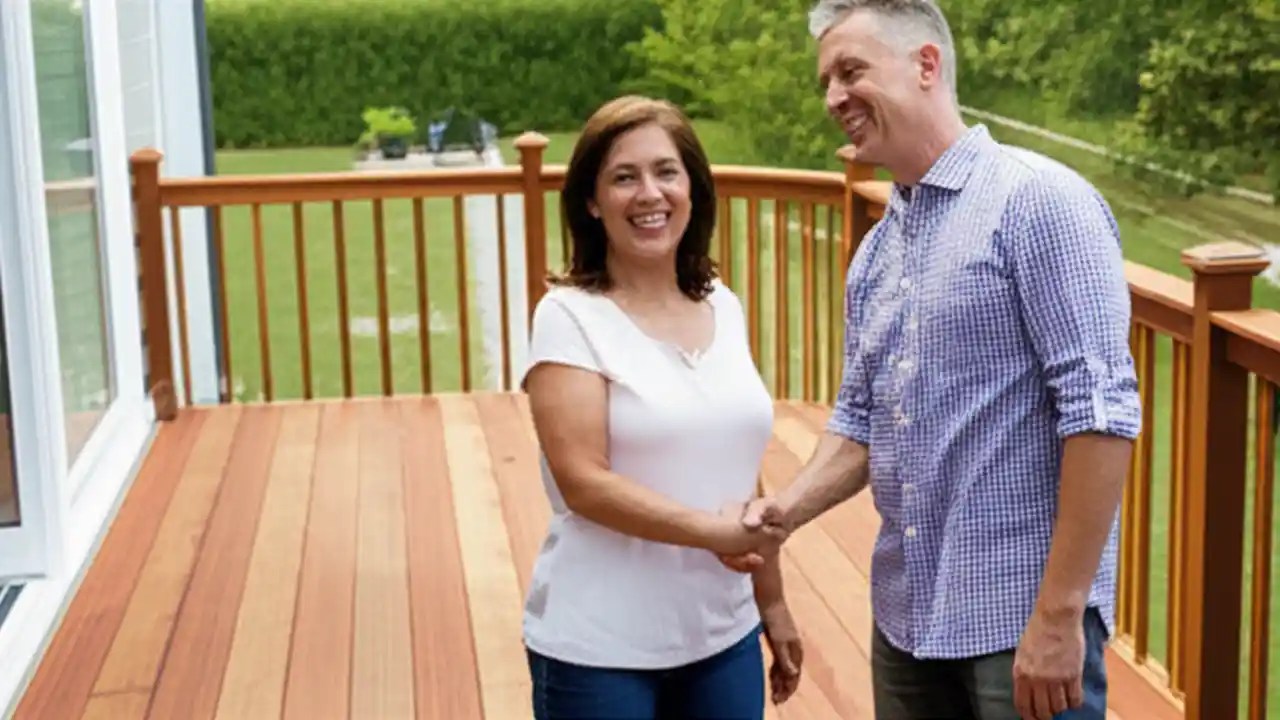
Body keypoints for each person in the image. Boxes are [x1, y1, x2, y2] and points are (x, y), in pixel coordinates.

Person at [722, 1, 1142, 719]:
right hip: (908, 616)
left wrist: (1059, 615)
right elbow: (862, 418)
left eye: (851, 71)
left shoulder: (1039, 203)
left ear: (926, 64)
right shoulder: (881, 247)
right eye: (825, 80)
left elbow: (1100, 414)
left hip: (1020, 619)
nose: (832, 98)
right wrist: (784, 511)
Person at [519, 95, 804, 720]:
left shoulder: (722, 305)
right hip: (601, 649)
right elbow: (584, 484)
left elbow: (737, 466)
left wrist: (771, 602)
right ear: (592, 202)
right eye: (624, 177)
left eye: (666, 172)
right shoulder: (568, 317)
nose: (650, 193)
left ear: (693, 189)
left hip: (721, 636)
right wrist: (715, 534)